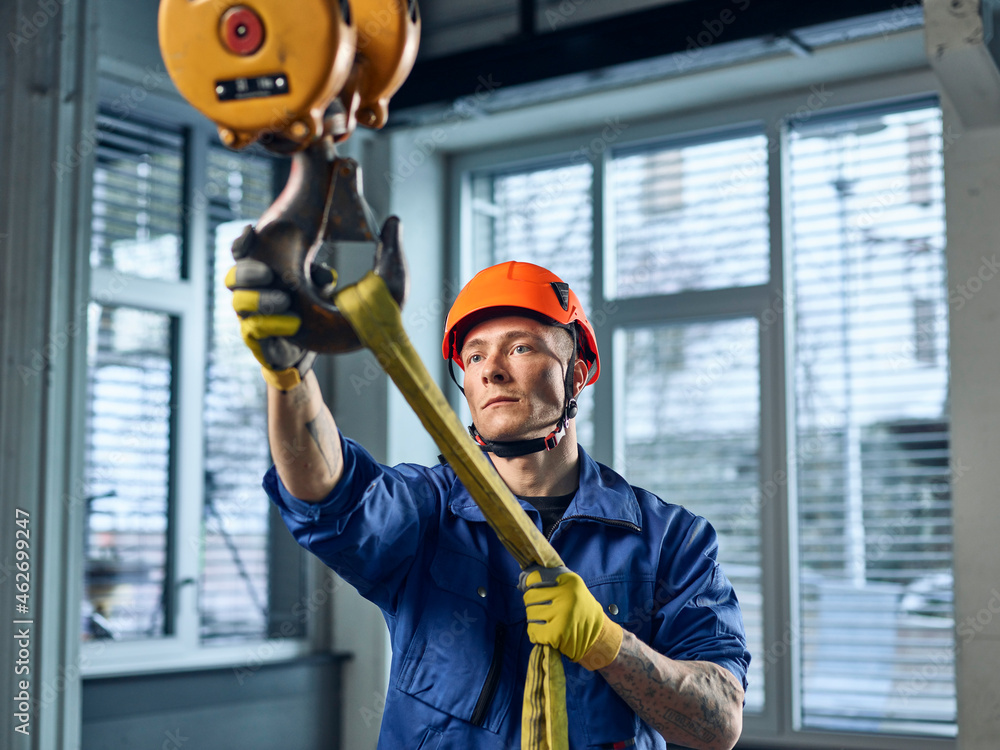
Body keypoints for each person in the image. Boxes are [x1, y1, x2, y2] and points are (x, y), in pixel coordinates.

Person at [228, 256, 750, 750]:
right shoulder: (427, 512)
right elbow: (326, 488)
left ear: (580, 370)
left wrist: (610, 645)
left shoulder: (669, 540)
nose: (490, 370)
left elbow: (718, 724)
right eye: (474, 355)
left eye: (520, 348)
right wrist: (290, 376)